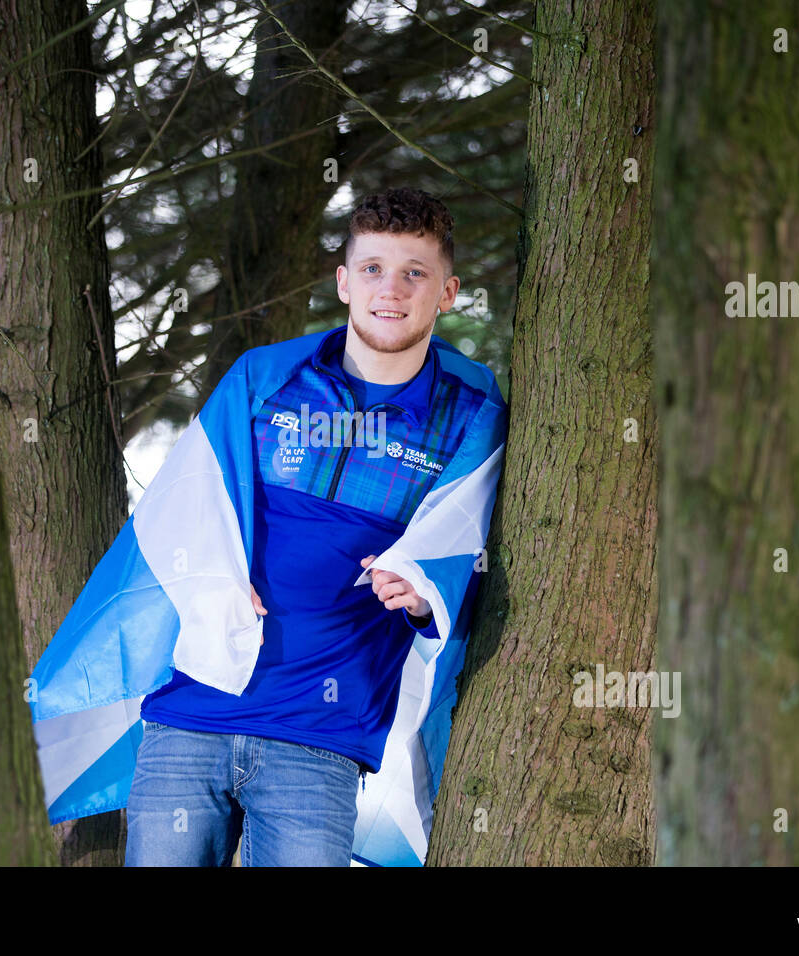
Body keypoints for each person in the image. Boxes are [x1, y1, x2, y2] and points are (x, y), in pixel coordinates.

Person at [26, 186, 507, 867]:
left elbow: (456, 532)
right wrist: (213, 576)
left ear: (448, 292)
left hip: (320, 739)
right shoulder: (265, 379)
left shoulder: (470, 410)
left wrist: (424, 586)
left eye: (414, 273)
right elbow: (185, 508)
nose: (390, 290)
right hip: (191, 712)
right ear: (343, 281)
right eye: (371, 269)